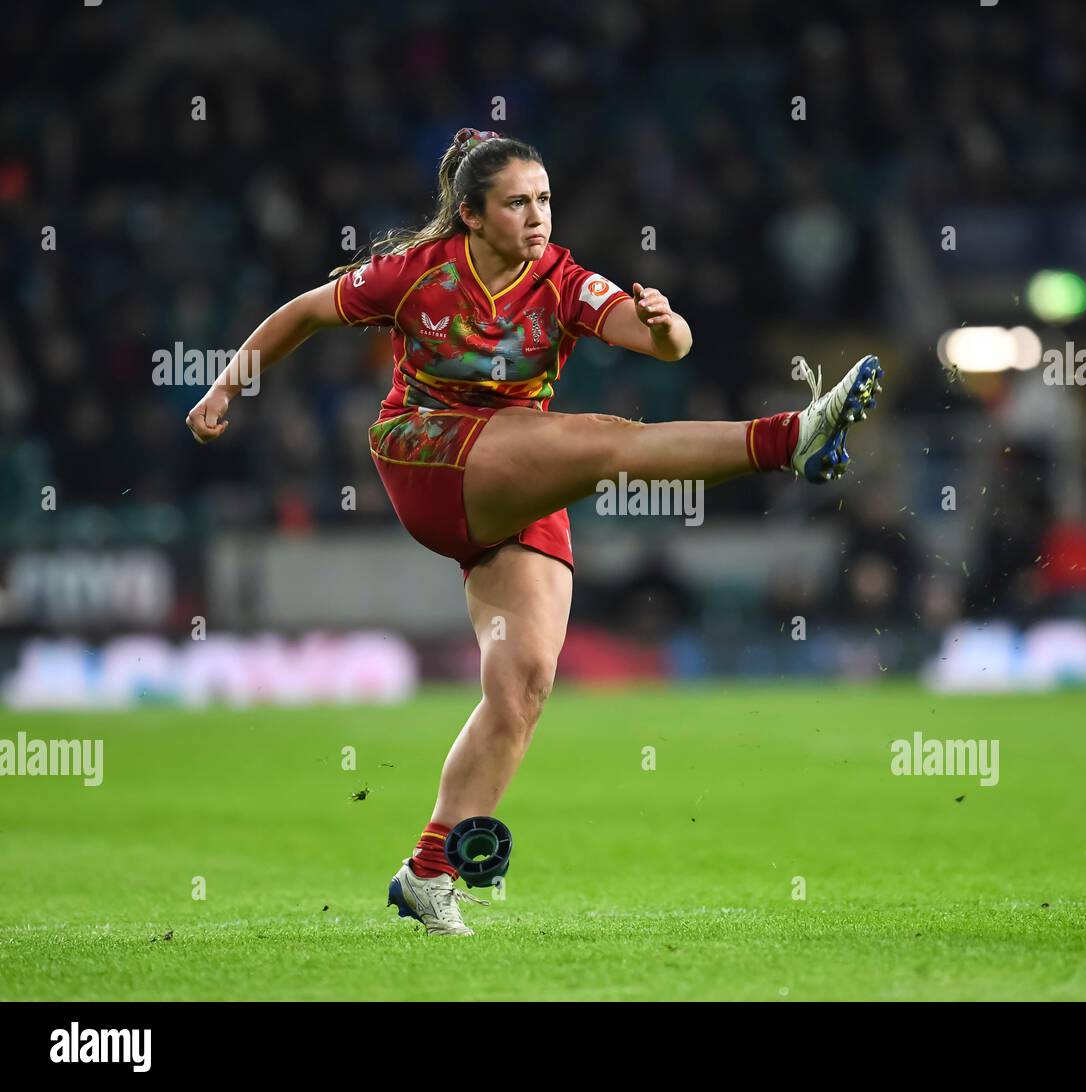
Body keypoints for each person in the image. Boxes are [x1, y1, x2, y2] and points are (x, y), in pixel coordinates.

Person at [185, 127, 883, 936]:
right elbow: (304, 312)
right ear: (473, 217)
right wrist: (226, 388)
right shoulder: (418, 273)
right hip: (427, 456)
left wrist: (663, 325)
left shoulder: (560, 278)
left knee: (522, 687)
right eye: (517, 203)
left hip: (512, 484)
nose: (538, 216)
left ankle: (428, 870)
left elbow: (663, 344)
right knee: (604, 444)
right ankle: (789, 438)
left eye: (545, 199)